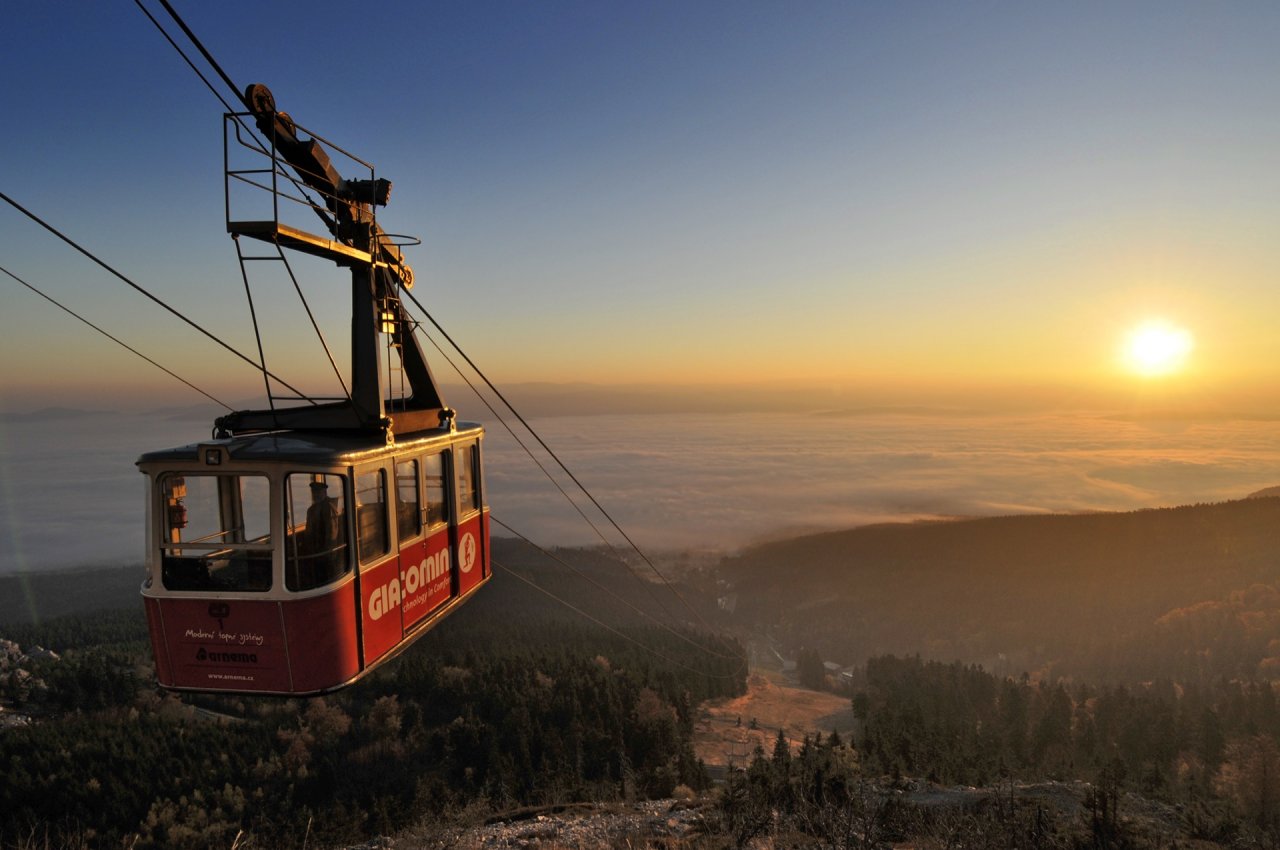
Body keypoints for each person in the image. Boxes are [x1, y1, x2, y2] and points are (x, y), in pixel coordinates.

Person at [305, 480, 343, 582]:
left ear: (324, 493)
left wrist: (330, 553)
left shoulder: (329, 507)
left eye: (318, 492)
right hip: (315, 552)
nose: (315, 495)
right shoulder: (311, 510)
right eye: (314, 492)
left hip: (326, 553)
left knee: (327, 577)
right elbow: (308, 531)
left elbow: (332, 532)